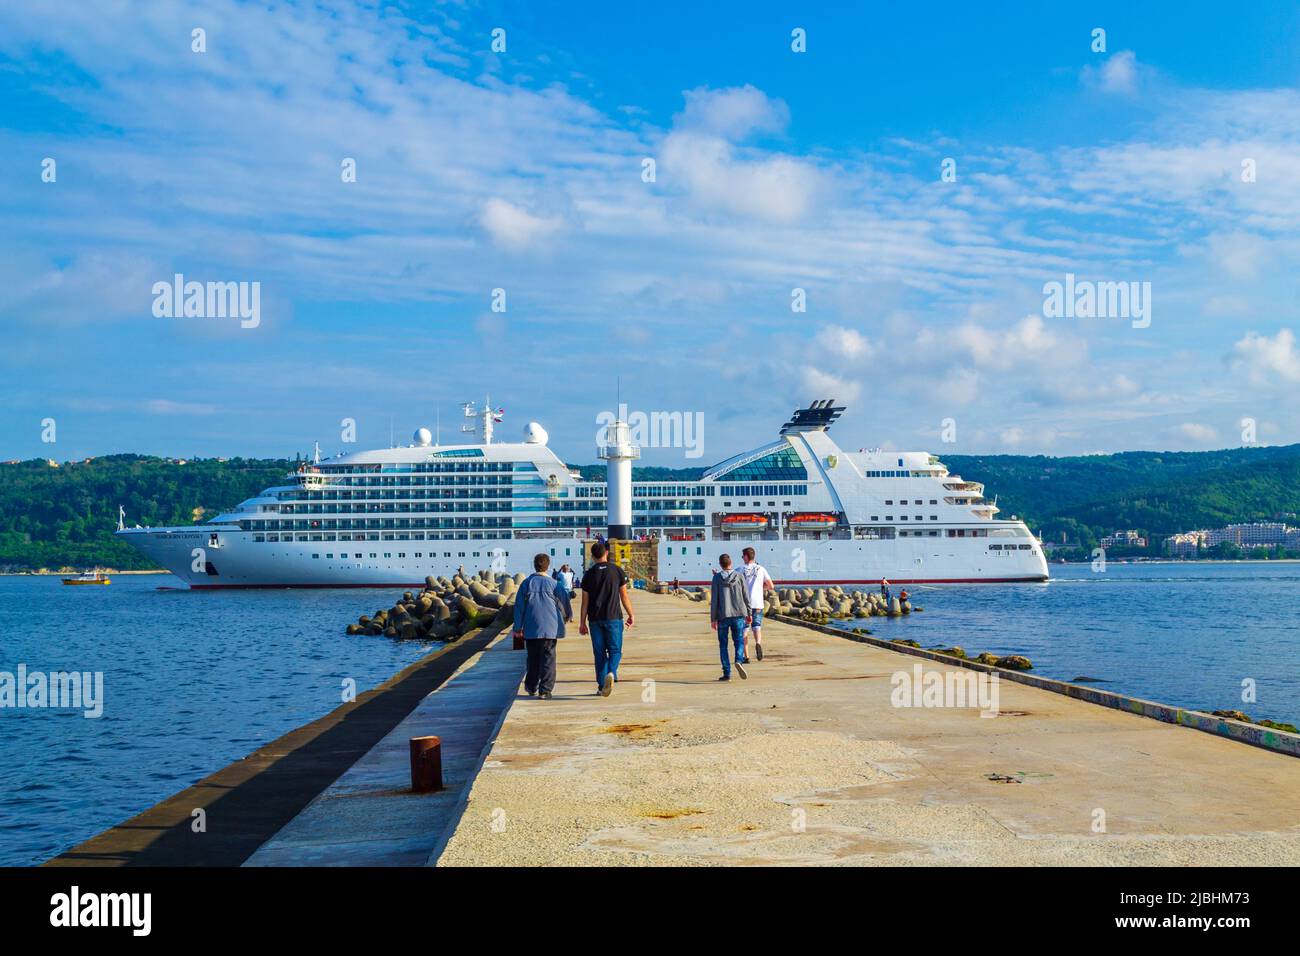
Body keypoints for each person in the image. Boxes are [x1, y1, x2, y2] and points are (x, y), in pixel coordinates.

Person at [513, 553, 572, 699]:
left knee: (532, 658)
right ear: (548, 566)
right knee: (548, 659)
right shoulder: (555, 584)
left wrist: (517, 628)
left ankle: (531, 686)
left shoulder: (526, 584)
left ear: (534, 565)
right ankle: (545, 690)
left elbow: (519, 608)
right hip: (550, 628)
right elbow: (564, 602)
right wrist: (567, 617)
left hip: (531, 628)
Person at [579, 541, 634, 697]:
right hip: (613, 617)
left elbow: (585, 603)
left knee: (599, 653)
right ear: (606, 553)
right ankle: (611, 672)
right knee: (615, 650)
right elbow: (624, 596)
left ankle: (602, 685)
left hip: (595, 619)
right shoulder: (617, 571)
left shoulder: (588, 574)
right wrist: (631, 614)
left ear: (593, 556)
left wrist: (582, 623)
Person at [710, 553, 752, 681]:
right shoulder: (739, 576)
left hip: (723, 615)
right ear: (731, 563)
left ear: (720, 564)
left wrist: (713, 618)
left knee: (723, 645)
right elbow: (746, 596)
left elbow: (715, 599)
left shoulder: (717, 578)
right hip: (739, 614)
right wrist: (749, 613)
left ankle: (727, 673)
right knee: (738, 640)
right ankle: (738, 660)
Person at [739, 546, 774, 662]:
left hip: (744, 604)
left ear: (746, 556)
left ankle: (746, 656)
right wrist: (761, 587)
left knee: (744, 630)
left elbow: (729, 580)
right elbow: (771, 586)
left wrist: (716, 574)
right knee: (756, 627)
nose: (742, 557)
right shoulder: (761, 569)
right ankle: (758, 643)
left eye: (742, 555)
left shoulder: (740, 569)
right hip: (758, 603)